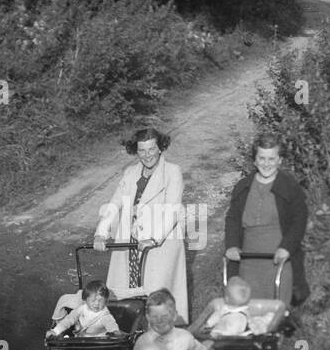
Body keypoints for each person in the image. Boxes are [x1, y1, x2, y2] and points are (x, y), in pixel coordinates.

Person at [94, 127, 189, 324]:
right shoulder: (130, 173)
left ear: (160, 148)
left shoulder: (172, 172)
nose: (147, 155)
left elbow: (172, 210)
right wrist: (101, 233)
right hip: (131, 240)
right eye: (142, 150)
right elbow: (115, 203)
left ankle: (163, 334)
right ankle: (131, 333)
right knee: (126, 294)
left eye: (151, 149)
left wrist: (154, 238)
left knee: (156, 295)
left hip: (160, 243)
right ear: (135, 151)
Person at [223, 133, 310, 307]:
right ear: (254, 160)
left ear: (280, 160)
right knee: (246, 309)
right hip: (248, 262)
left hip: (278, 260)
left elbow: (299, 219)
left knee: (276, 312)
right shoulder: (243, 187)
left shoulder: (289, 187)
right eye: (261, 158)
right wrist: (232, 245)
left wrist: (286, 248)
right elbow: (232, 219)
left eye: (271, 159)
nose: (266, 164)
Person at [47, 280, 121, 338]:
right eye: (93, 300)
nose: (97, 304)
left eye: (101, 301)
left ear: (106, 301)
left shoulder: (104, 315)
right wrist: (55, 331)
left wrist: (115, 332)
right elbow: (68, 320)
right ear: (85, 300)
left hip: (98, 340)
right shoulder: (81, 309)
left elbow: (111, 325)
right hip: (81, 338)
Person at [189, 276, 254, 338]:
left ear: (226, 298)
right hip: (239, 336)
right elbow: (251, 322)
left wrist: (208, 325)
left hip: (221, 334)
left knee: (212, 334)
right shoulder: (246, 312)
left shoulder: (225, 309)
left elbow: (215, 317)